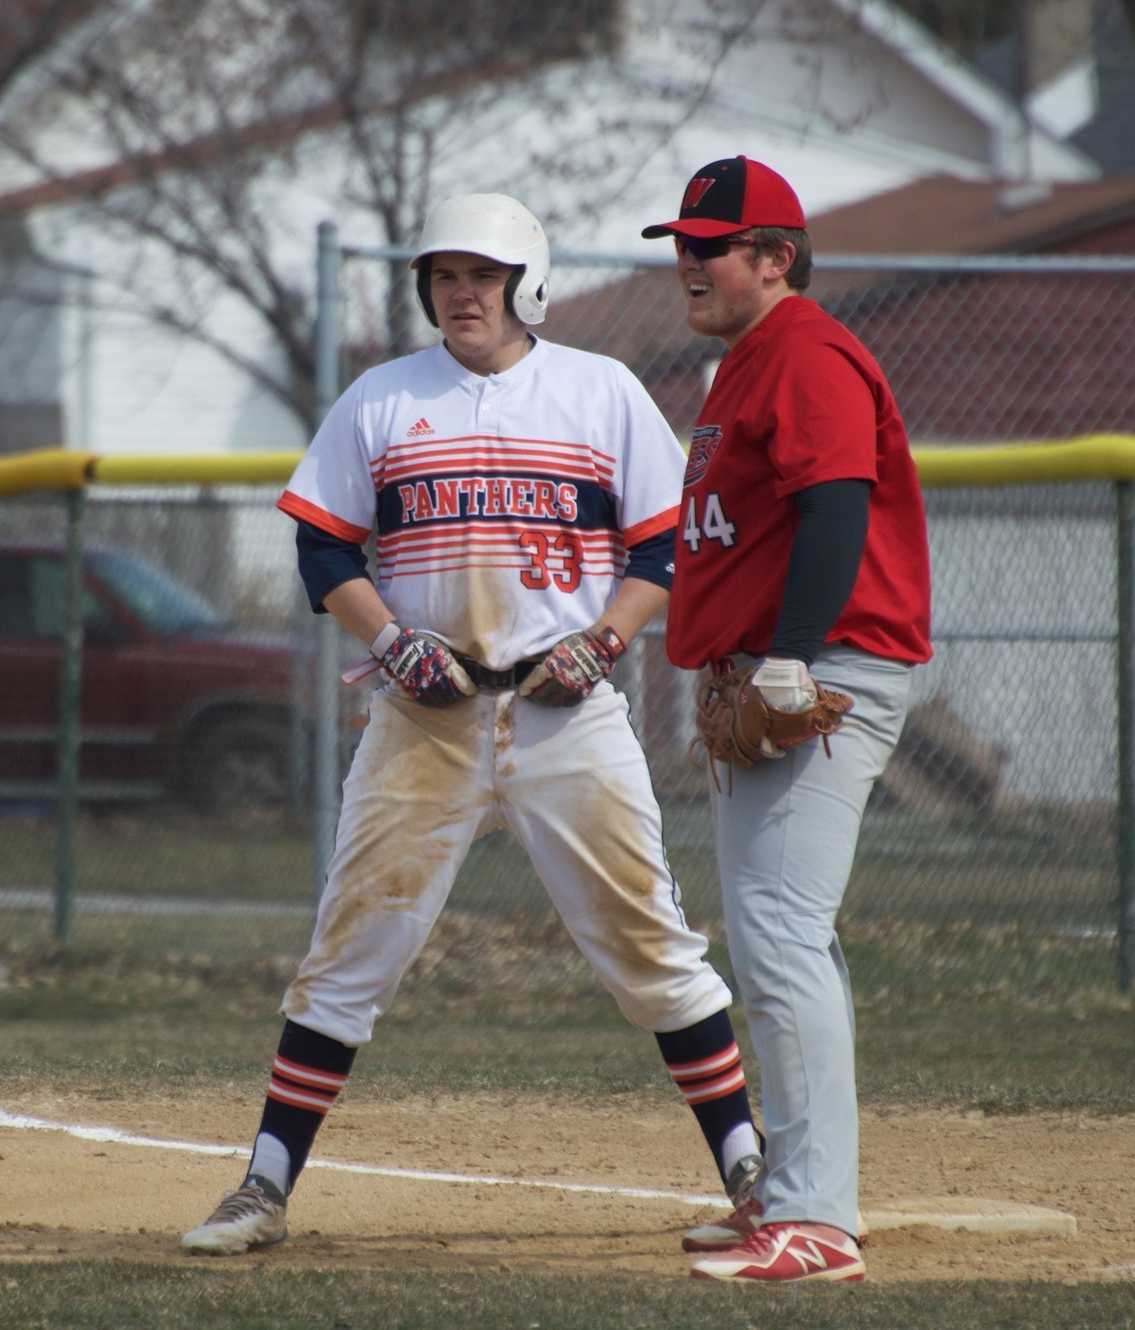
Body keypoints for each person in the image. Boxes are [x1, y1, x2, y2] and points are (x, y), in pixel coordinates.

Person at [181, 193, 763, 1256]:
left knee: (649, 944)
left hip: (567, 718)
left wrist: (605, 640)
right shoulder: (381, 397)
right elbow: (322, 547)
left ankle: (749, 1175)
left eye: (483, 275)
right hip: (423, 718)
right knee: (350, 952)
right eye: (444, 275)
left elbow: (660, 547)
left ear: (525, 284)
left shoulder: (599, 390)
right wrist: (392, 637)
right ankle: (262, 1187)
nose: (462, 293)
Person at [639, 156, 933, 1283]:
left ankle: (815, 1216)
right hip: (779, 670)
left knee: (778, 934)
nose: (687, 263)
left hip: (822, 674)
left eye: (709, 247)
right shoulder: (744, 363)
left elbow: (835, 507)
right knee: (777, 934)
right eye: (681, 245)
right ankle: (797, 1183)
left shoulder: (806, 351)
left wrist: (791, 655)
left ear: (774, 258)